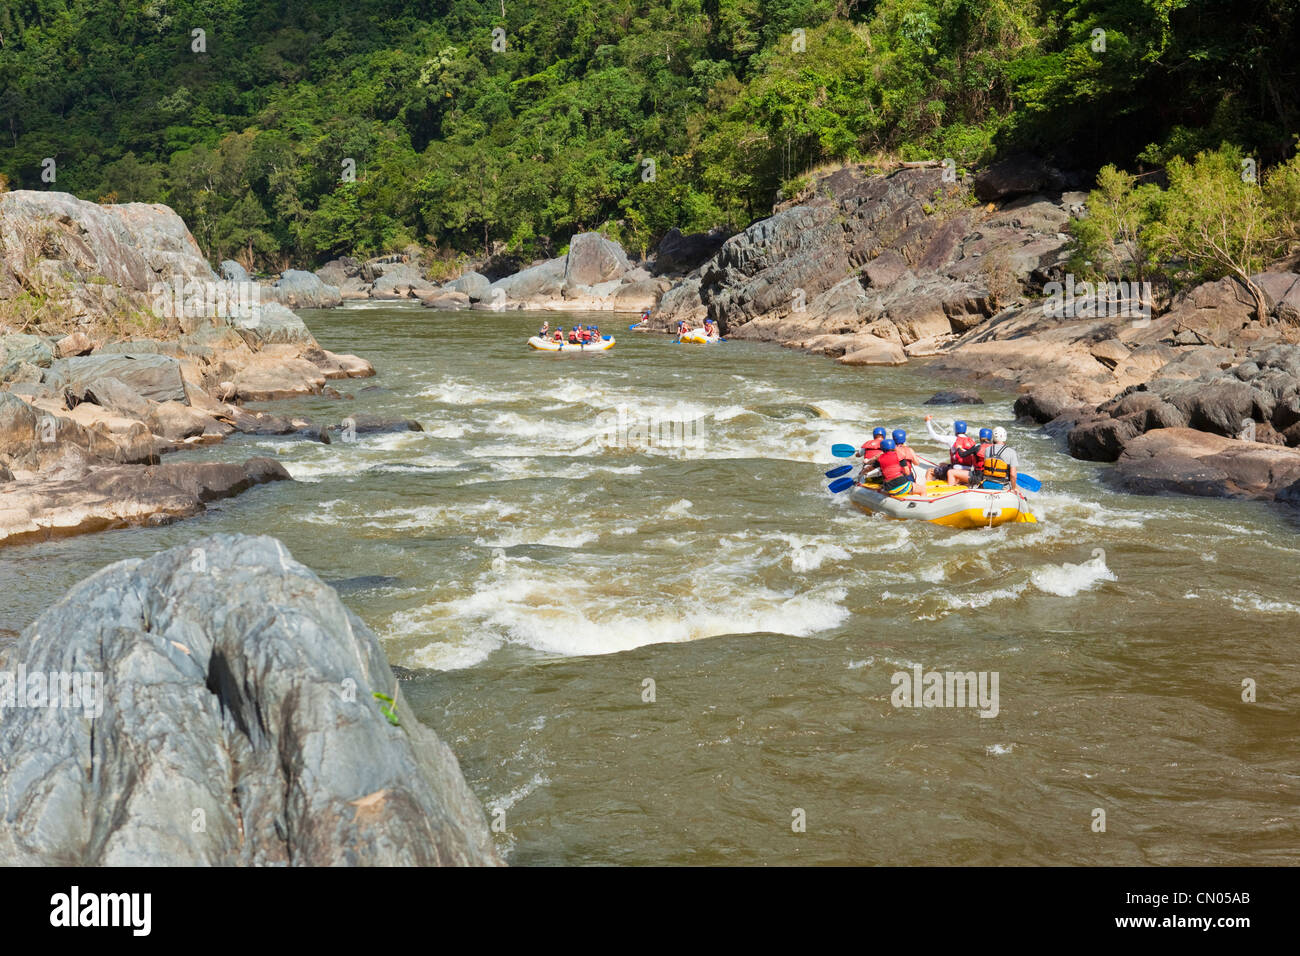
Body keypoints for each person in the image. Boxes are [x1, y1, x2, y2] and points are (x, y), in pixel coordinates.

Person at [924, 415, 981, 485]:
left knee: (930, 471)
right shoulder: (972, 441)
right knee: (942, 464)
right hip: (967, 473)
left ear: (955, 429)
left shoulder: (952, 439)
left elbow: (934, 436)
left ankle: (928, 489)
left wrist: (927, 422)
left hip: (955, 472)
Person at [978, 426, 1019, 491]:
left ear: (993, 438)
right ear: (1005, 437)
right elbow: (1013, 475)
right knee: (1017, 488)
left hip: (986, 484)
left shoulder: (987, 450)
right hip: (1002, 486)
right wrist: (1014, 488)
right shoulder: (1011, 452)